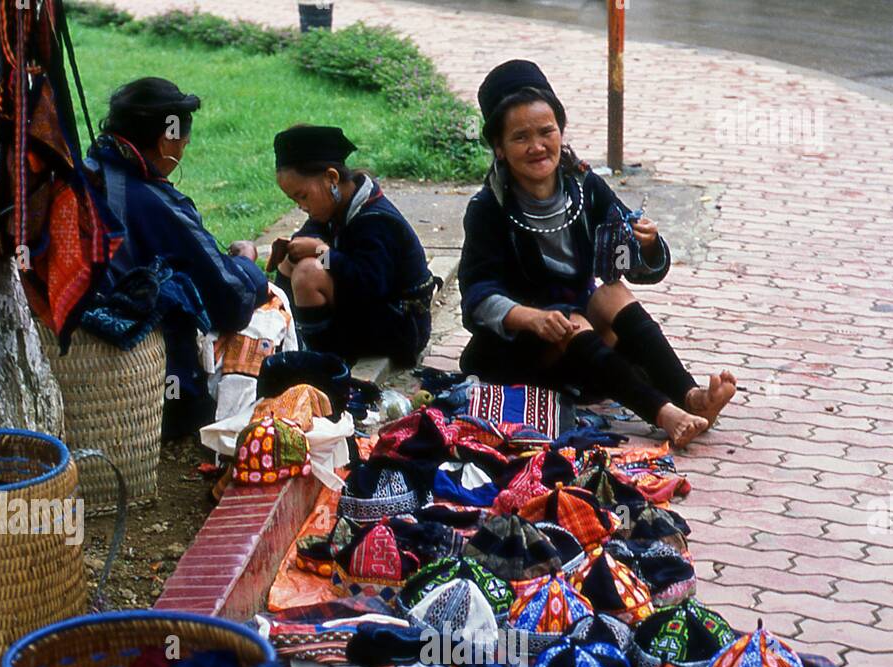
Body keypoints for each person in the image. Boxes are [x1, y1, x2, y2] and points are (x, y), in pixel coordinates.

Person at [459, 61, 737, 447]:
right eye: (521, 137)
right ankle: (664, 413)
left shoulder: (584, 186)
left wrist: (646, 244)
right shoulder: (488, 208)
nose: (538, 146)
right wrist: (532, 318)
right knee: (573, 319)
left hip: (588, 355)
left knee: (611, 292)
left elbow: (630, 265)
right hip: (518, 354)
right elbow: (476, 297)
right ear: (500, 149)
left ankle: (691, 396)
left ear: (561, 131)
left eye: (546, 131)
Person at [88, 78, 269, 437]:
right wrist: (248, 262)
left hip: (79, 368)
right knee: (268, 314)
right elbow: (233, 299)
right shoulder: (156, 203)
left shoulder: (84, 176)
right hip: (153, 396)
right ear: (166, 139)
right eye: (183, 142)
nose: (183, 149)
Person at [272, 124, 436, 367]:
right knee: (293, 260)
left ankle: (321, 362)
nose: (301, 206)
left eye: (303, 196)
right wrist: (295, 250)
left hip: (400, 326)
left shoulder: (375, 220)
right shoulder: (333, 210)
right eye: (294, 200)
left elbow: (370, 283)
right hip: (367, 313)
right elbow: (313, 243)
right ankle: (287, 338)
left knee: (309, 272)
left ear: (332, 179)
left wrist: (321, 253)